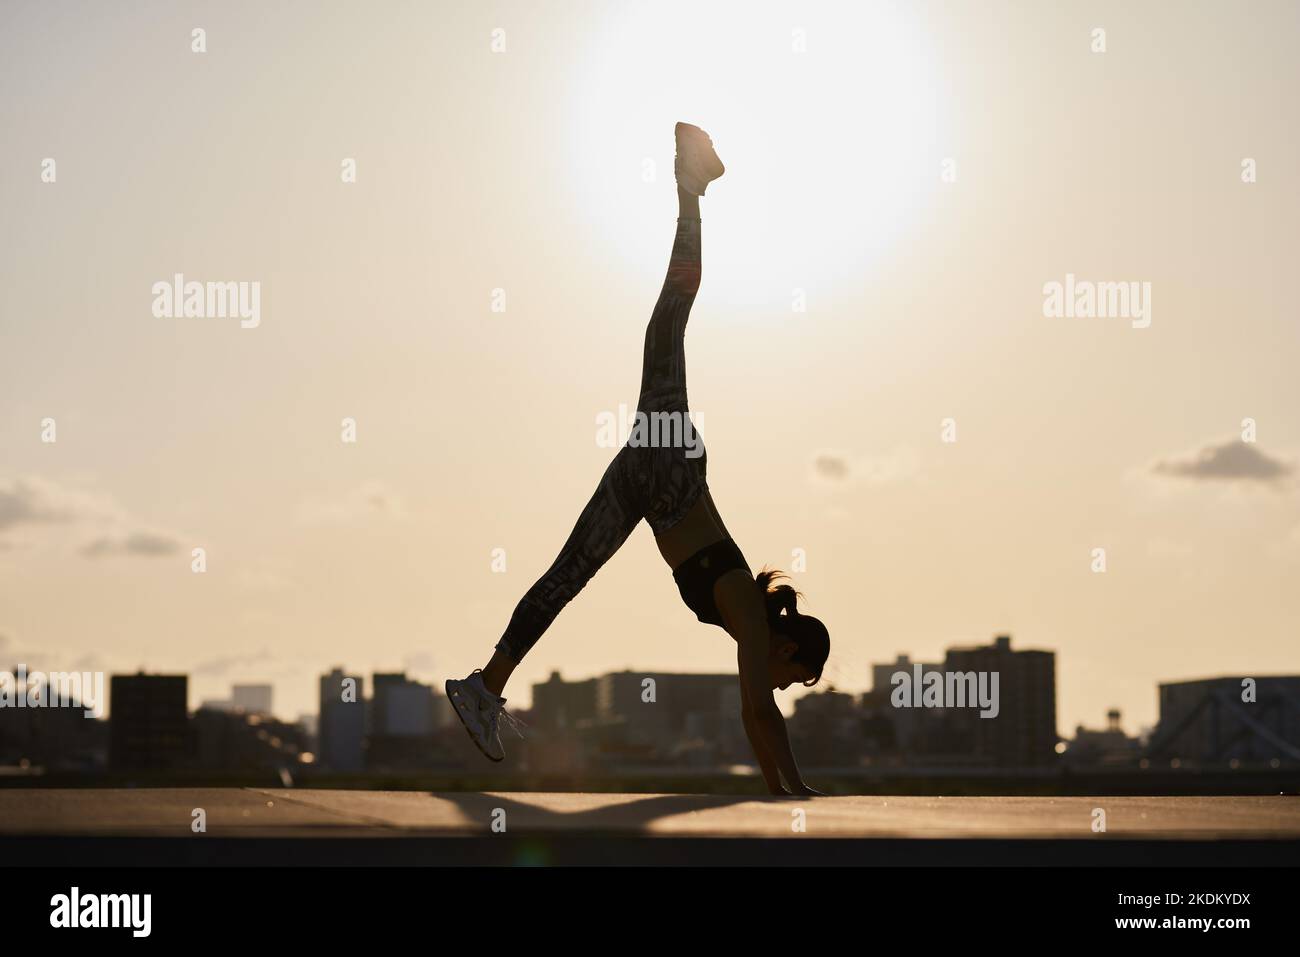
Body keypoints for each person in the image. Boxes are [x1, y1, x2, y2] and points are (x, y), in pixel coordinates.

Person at [447, 123, 830, 796]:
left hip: (647, 484)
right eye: (793, 676)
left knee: (567, 575)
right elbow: (758, 712)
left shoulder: (747, 618)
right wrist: (794, 792)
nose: (782, 685)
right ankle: (690, 187)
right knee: (669, 321)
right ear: (789, 649)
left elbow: (759, 710)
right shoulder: (745, 610)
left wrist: (784, 792)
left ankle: (484, 688)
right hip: (670, 476)